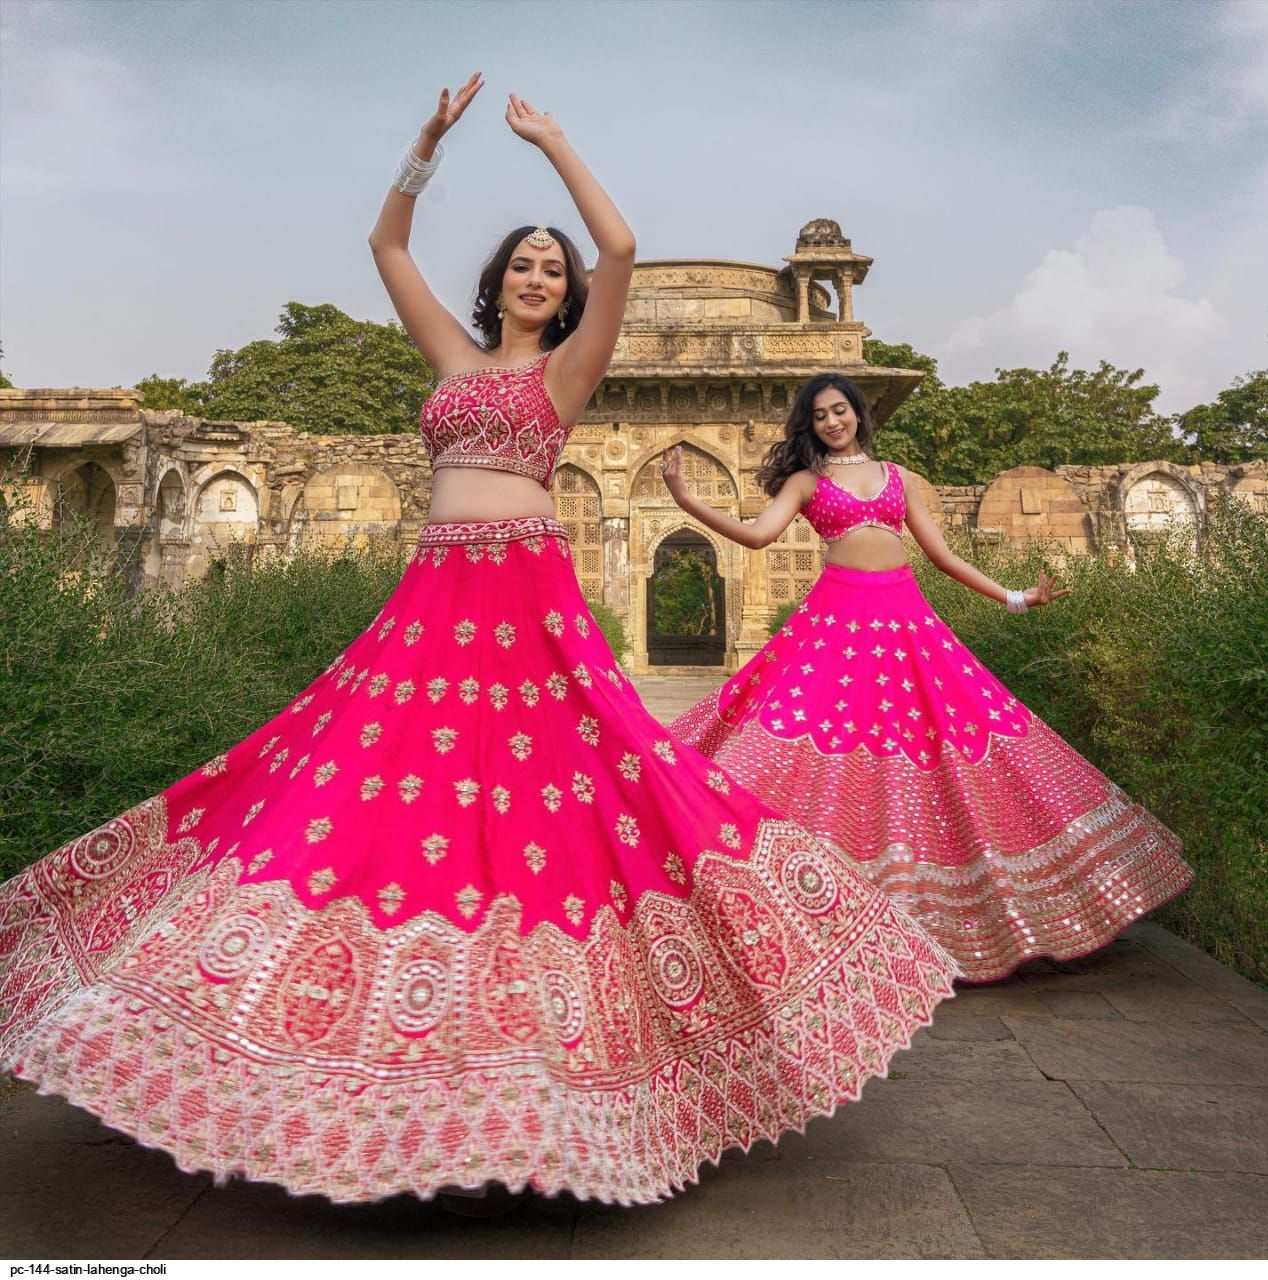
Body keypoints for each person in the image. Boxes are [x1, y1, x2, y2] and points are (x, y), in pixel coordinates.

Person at [0, 84, 956, 1208]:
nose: (542, 274)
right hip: (432, 594)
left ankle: (574, 1063)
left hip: (523, 590)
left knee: (571, 792)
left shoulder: (567, 369)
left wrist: (553, 147)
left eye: (554, 267)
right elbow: (384, 242)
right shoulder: (452, 359)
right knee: (358, 779)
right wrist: (424, 146)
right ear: (497, 280)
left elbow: (622, 242)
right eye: (525, 262)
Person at [663, 372, 1192, 983]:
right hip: (836, 623)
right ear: (809, 427)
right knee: (795, 748)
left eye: (840, 410)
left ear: (859, 413)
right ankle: (799, 912)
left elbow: (943, 556)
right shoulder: (808, 481)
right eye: (820, 417)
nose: (832, 422)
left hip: (907, 621)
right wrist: (685, 500)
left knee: (953, 743)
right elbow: (757, 537)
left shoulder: (898, 477)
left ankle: (940, 923)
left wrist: (1016, 597)